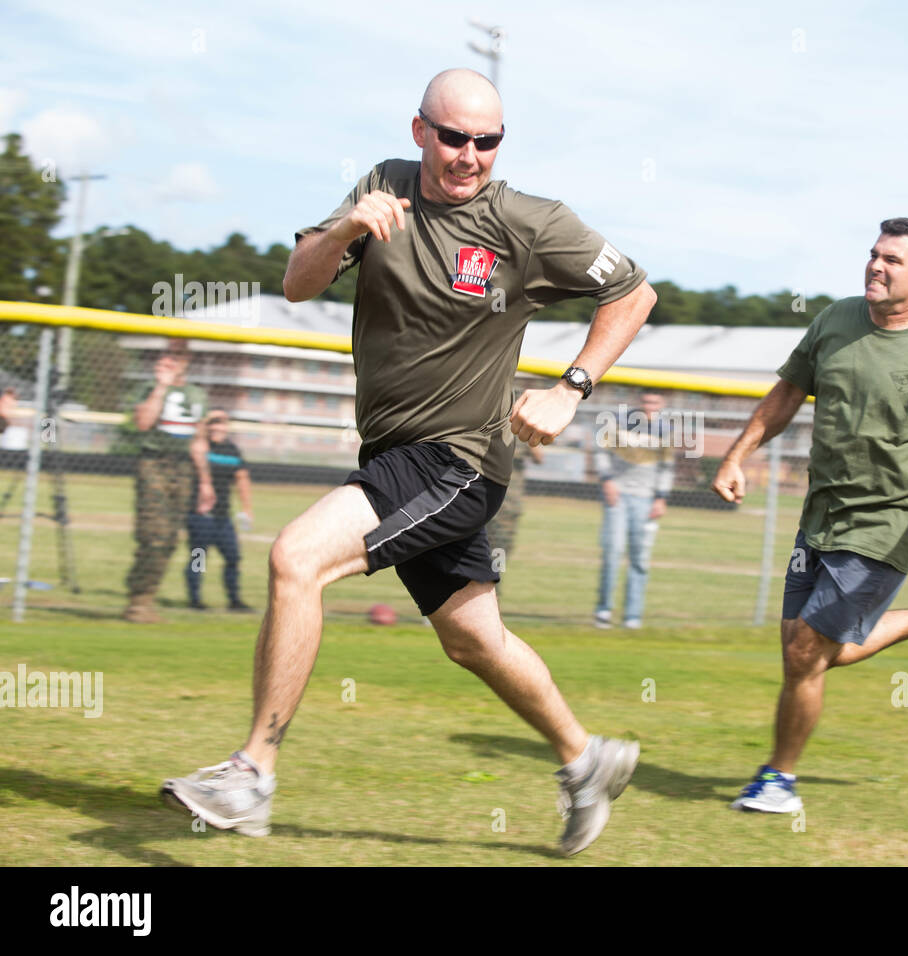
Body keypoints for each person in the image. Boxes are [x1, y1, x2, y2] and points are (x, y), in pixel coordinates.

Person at [161, 69, 657, 856]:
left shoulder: (529, 223)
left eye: (486, 141)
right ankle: (585, 759)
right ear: (420, 130)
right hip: (393, 451)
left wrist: (572, 387)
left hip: (456, 460)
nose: (468, 156)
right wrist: (345, 230)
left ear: (500, 143)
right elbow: (297, 285)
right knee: (472, 638)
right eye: (453, 136)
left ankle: (251, 773)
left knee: (296, 558)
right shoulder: (384, 185)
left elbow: (634, 292)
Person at [712, 218, 908, 813]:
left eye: (892, 260)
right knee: (808, 650)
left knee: (804, 655)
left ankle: (778, 782)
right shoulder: (834, 320)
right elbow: (788, 394)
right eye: (873, 254)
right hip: (821, 514)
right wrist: (737, 455)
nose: (876, 266)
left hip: (886, 524)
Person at [123, 340, 210, 624]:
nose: (170, 359)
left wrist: (205, 482)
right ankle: (138, 599)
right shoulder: (151, 388)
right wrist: (161, 386)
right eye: (167, 354)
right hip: (154, 463)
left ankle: (145, 599)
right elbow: (143, 423)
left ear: (186, 360)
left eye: (177, 355)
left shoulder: (196, 394)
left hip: (183, 468)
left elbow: (198, 440)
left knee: (171, 537)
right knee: (153, 534)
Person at [593, 391, 676, 629]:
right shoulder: (619, 423)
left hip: (646, 500)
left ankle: (632, 615)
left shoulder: (665, 431)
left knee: (639, 558)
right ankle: (603, 611)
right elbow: (601, 453)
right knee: (613, 552)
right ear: (639, 403)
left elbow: (666, 468)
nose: (649, 406)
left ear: (662, 405)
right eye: (646, 401)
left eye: (655, 402)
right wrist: (607, 480)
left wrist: (661, 498)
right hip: (617, 497)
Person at [185, 410, 254, 612]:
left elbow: (242, 479)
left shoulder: (232, 450)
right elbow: (196, 446)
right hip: (200, 516)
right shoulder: (200, 446)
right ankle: (195, 600)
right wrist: (205, 422)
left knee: (233, 557)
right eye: (213, 422)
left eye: (221, 422)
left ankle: (234, 600)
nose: (217, 427)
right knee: (199, 558)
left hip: (223, 517)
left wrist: (247, 509)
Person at [483, 408, 544, 589]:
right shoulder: (487, 421)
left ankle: (492, 592)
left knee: (500, 549)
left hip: (507, 503)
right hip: (484, 496)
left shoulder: (523, 425)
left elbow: (539, 458)